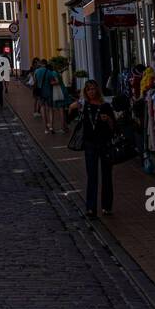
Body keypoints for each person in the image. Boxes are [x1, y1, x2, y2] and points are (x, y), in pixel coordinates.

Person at [69, 81, 117, 218]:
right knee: (92, 176)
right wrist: (71, 108)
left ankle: (107, 206)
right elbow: (70, 118)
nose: (92, 92)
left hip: (105, 144)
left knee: (107, 176)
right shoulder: (84, 106)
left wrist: (108, 119)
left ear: (98, 91)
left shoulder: (105, 106)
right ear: (86, 91)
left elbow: (114, 127)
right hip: (90, 144)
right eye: (89, 89)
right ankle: (91, 208)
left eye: (94, 89)